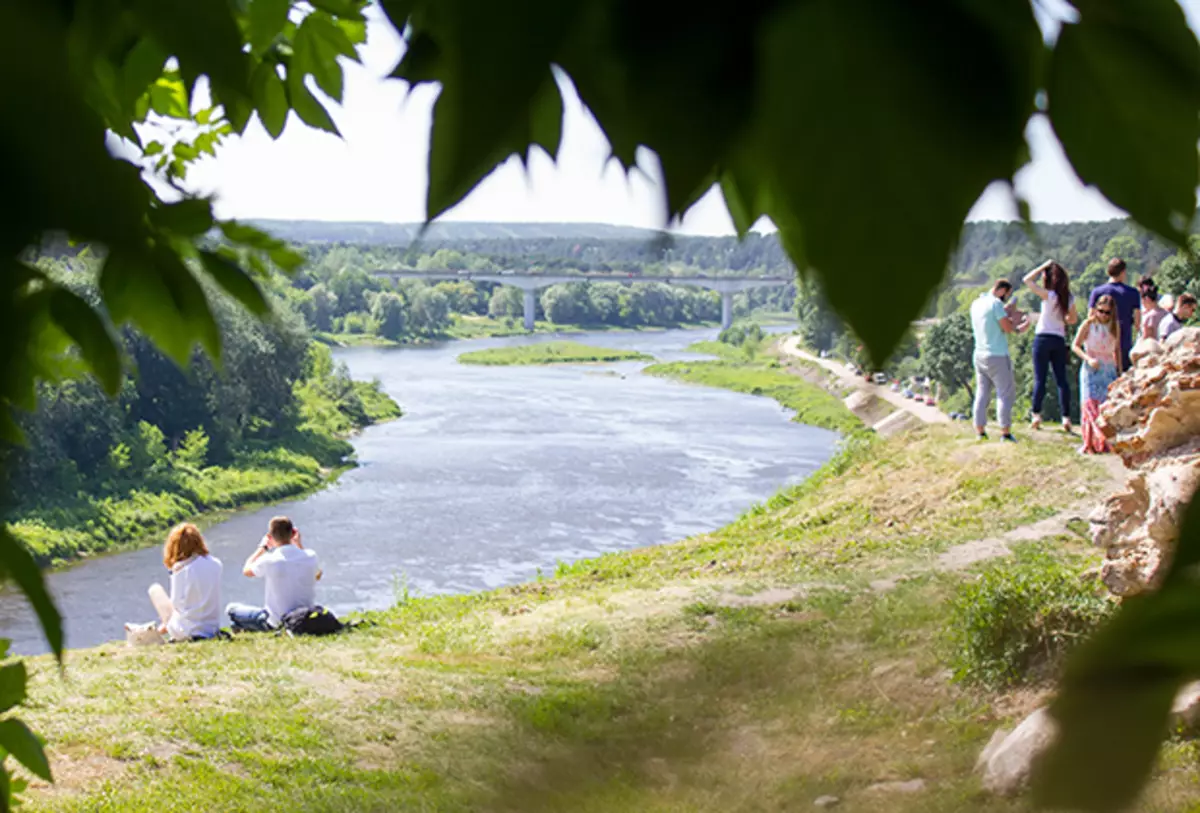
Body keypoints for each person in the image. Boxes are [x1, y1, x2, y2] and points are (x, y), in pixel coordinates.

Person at [226, 515, 322, 632]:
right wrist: (299, 544)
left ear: (270, 537)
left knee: (231, 609)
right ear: (294, 533)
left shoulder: (269, 559)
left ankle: (245, 630)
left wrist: (262, 548)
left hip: (276, 622)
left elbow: (247, 570)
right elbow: (317, 575)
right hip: (305, 618)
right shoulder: (311, 556)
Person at [1023, 260, 1078, 432]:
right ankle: (1066, 418)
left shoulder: (1049, 295)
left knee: (1040, 378)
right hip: (1058, 339)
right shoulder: (1068, 298)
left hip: (1043, 337)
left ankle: (1036, 414)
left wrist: (1042, 266)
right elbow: (1073, 319)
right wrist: (1063, 319)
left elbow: (1027, 280)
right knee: (1062, 380)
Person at [148, 522, 223, 642]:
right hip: (211, 629)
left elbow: (176, 604)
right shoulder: (216, 564)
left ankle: (159, 631)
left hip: (188, 631)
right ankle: (163, 628)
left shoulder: (181, 569)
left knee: (154, 589)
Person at [1072, 294, 1122, 455]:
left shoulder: (1115, 326)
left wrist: (1120, 371)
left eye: (1107, 312)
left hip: (1108, 368)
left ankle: (1104, 441)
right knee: (1090, 405)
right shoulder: (1088, 325)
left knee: (1105, 406)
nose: (1103, 315)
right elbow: (1075, 345)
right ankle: (1089, 442)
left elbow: (1117, 350)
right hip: (1091, 367)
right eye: (1101, 311)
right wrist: (1088, 358)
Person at [970, 279, 1017, 442]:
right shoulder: (996, 304)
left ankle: (980, 430)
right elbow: (1007, 328)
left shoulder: (976, 303)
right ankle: (1005, 432)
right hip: (997, 354)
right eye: (1007, 294)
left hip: (979, 353)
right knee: (1004, 394)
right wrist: (1014, 321)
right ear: (1002, 290)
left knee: (982, 393)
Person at [1088, 257, 1140, 370]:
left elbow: (1090, 317)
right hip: (1123, 340)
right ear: (1123, 272)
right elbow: (1137, 322)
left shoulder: (1097, 292)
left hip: (1101, 344)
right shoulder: (1133, 293)